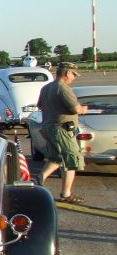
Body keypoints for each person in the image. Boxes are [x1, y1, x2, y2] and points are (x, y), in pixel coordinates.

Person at [36, 62, 89, 203]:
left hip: (48, 127)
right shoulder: (63, 88)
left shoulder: (46, 88)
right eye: (73, 74)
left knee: (56, 158)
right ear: (67, 73)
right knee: (72, 160)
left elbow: (40, 105)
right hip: (62, 129)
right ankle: (66, 194)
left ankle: (39, 179)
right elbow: (75, 109)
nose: (74, 78)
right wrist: (83, 109)